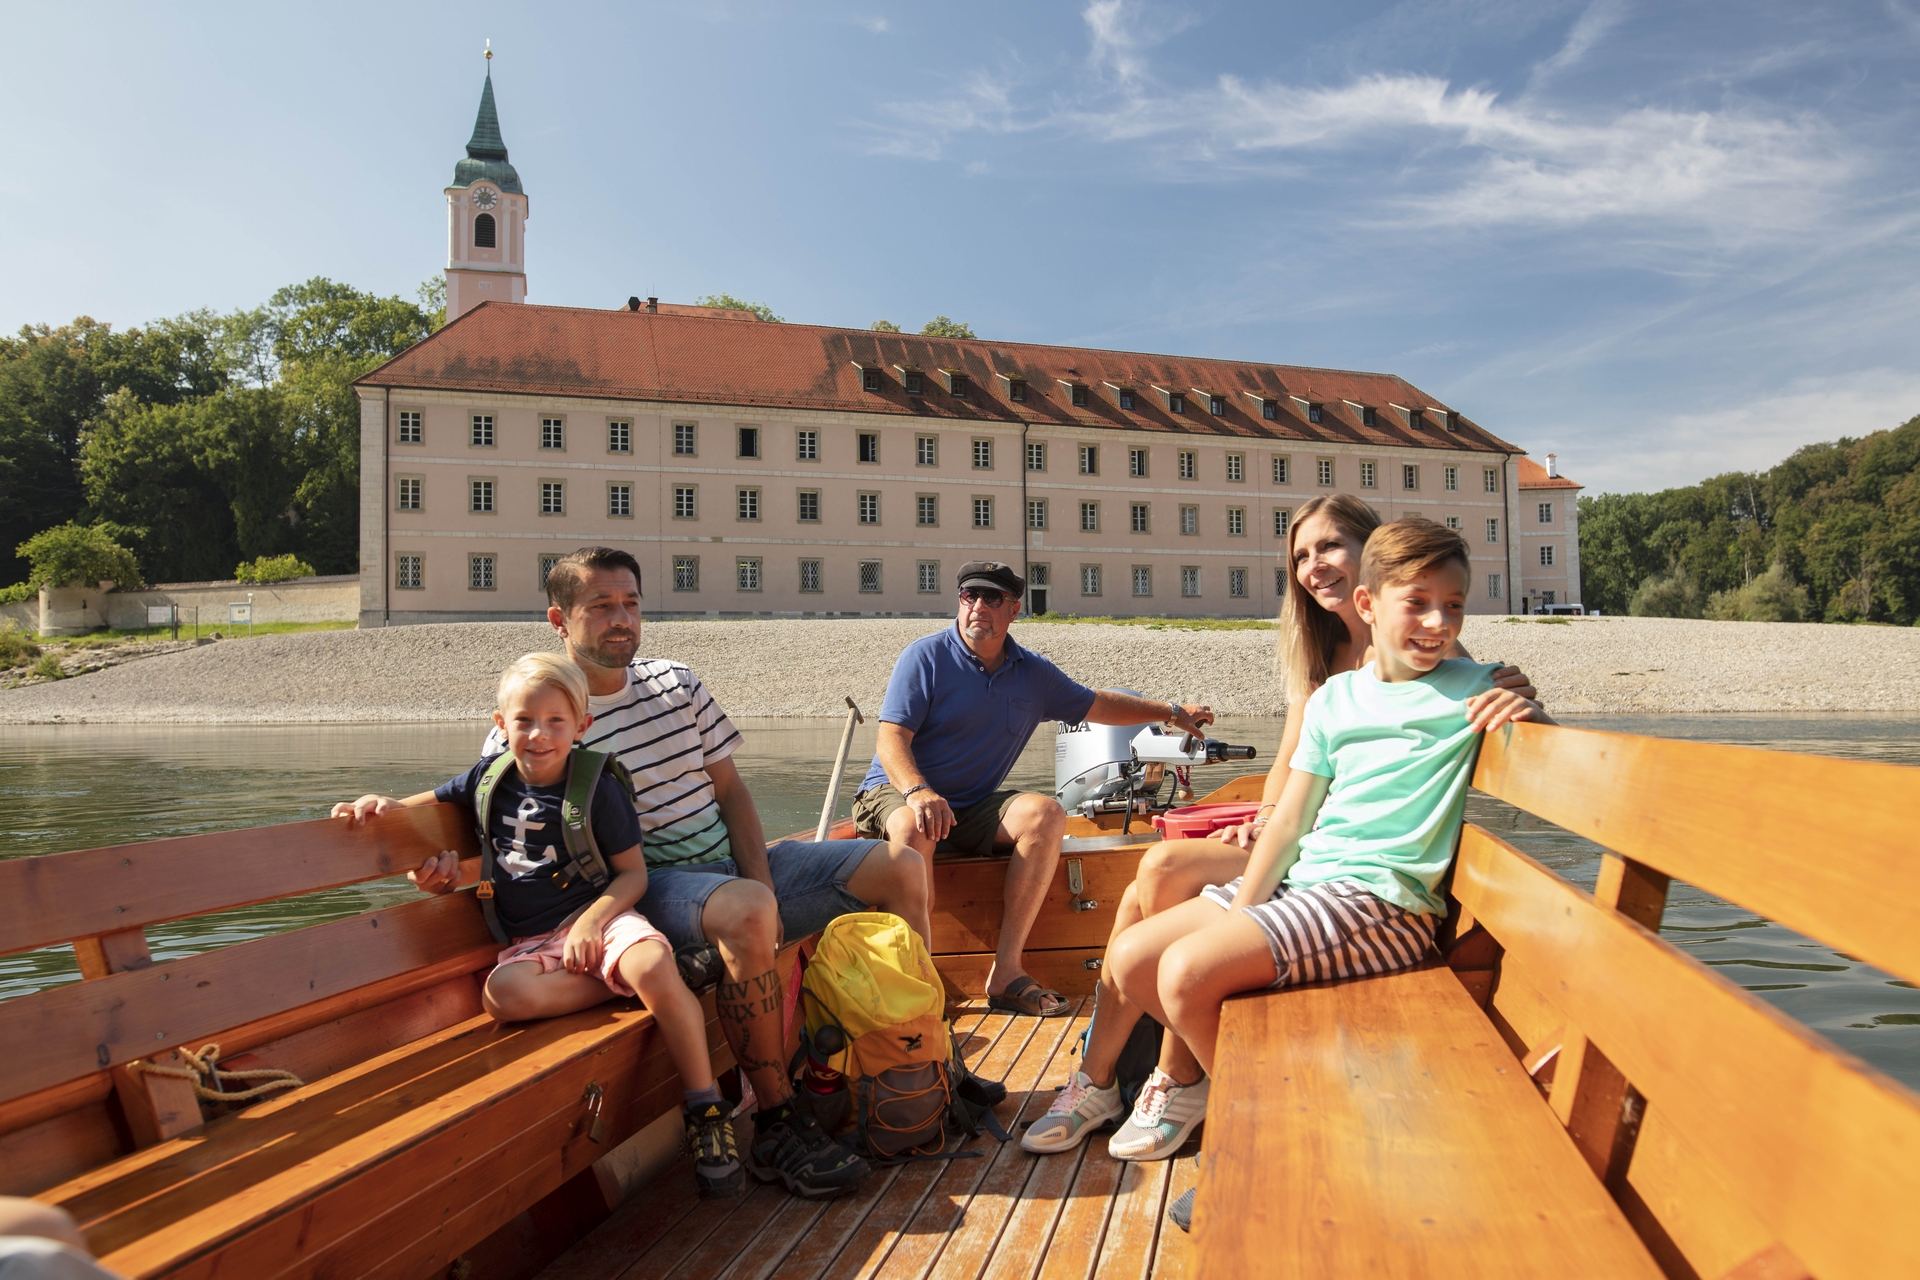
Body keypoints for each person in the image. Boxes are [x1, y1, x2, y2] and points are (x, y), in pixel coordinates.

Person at [1022, 495, 1536, 1155]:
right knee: (1132, 949)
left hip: (1374, 893)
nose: (1315, 567)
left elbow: (1525, 743)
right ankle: (1123, 1080)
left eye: (1329, 548)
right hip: (1314, 870)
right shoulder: (1330, 684)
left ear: (1370, 569)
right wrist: (1259, 844)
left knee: (1177, 944)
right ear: (1375, 603)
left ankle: (1247, 1114)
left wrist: (1519, 700)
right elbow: (1292, 796)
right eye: (1301, 555)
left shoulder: (1454, 673)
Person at [497, 547, 930, 1200]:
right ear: (559, 619)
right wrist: (416, 836)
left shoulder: (678, 683)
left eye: (632, 604)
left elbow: (731, 794)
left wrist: (761, 882)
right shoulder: (545, 717)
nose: (622, 619)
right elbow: (487, 799)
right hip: (654, 887)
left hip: (732, 871)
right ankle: (778, 1120)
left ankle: (924, 1053)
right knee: (747, 911)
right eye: (602, 607)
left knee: (901, 868)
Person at [331, 652, 746, 1201]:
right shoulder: (489, 778)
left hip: (601, 917)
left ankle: (705, 1108)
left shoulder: (599, 788)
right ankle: (654, 977)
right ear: (500, 725)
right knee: (501, 996)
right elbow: (424, 804)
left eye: (556, 721)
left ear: (582, 725)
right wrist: (383, 806)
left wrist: (593, 922)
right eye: (524, 720)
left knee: (647, 961)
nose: (540, 734)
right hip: (530, 941)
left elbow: (632, 876)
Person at [852, 560, 1215, 1018]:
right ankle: (922, 979)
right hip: (895, 790)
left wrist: (1170, 711)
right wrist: (918, 790)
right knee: (914, 825)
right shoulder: (924, 657)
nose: (978, 606)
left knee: (1046, 814)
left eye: (992, 598)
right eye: (969, 596)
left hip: (968, 806)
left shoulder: (1033, 675)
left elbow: (1098, 704)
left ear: (1014, 611)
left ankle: (1005, 973)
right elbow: (891, 739)